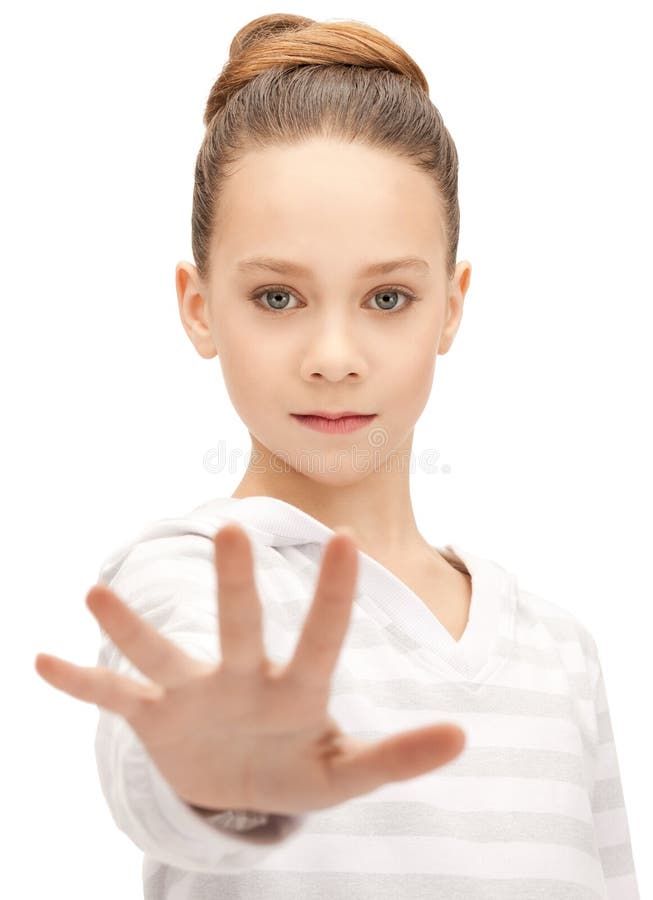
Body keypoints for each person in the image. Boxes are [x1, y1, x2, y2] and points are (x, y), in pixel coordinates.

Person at [33, 13, 640, 900]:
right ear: (199, 307)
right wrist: (216, 777)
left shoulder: (559, 652)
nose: (333, 353)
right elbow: (165, 770)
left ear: (451, 306)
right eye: (277, 295)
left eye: (387, 296)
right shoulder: (194, 578)